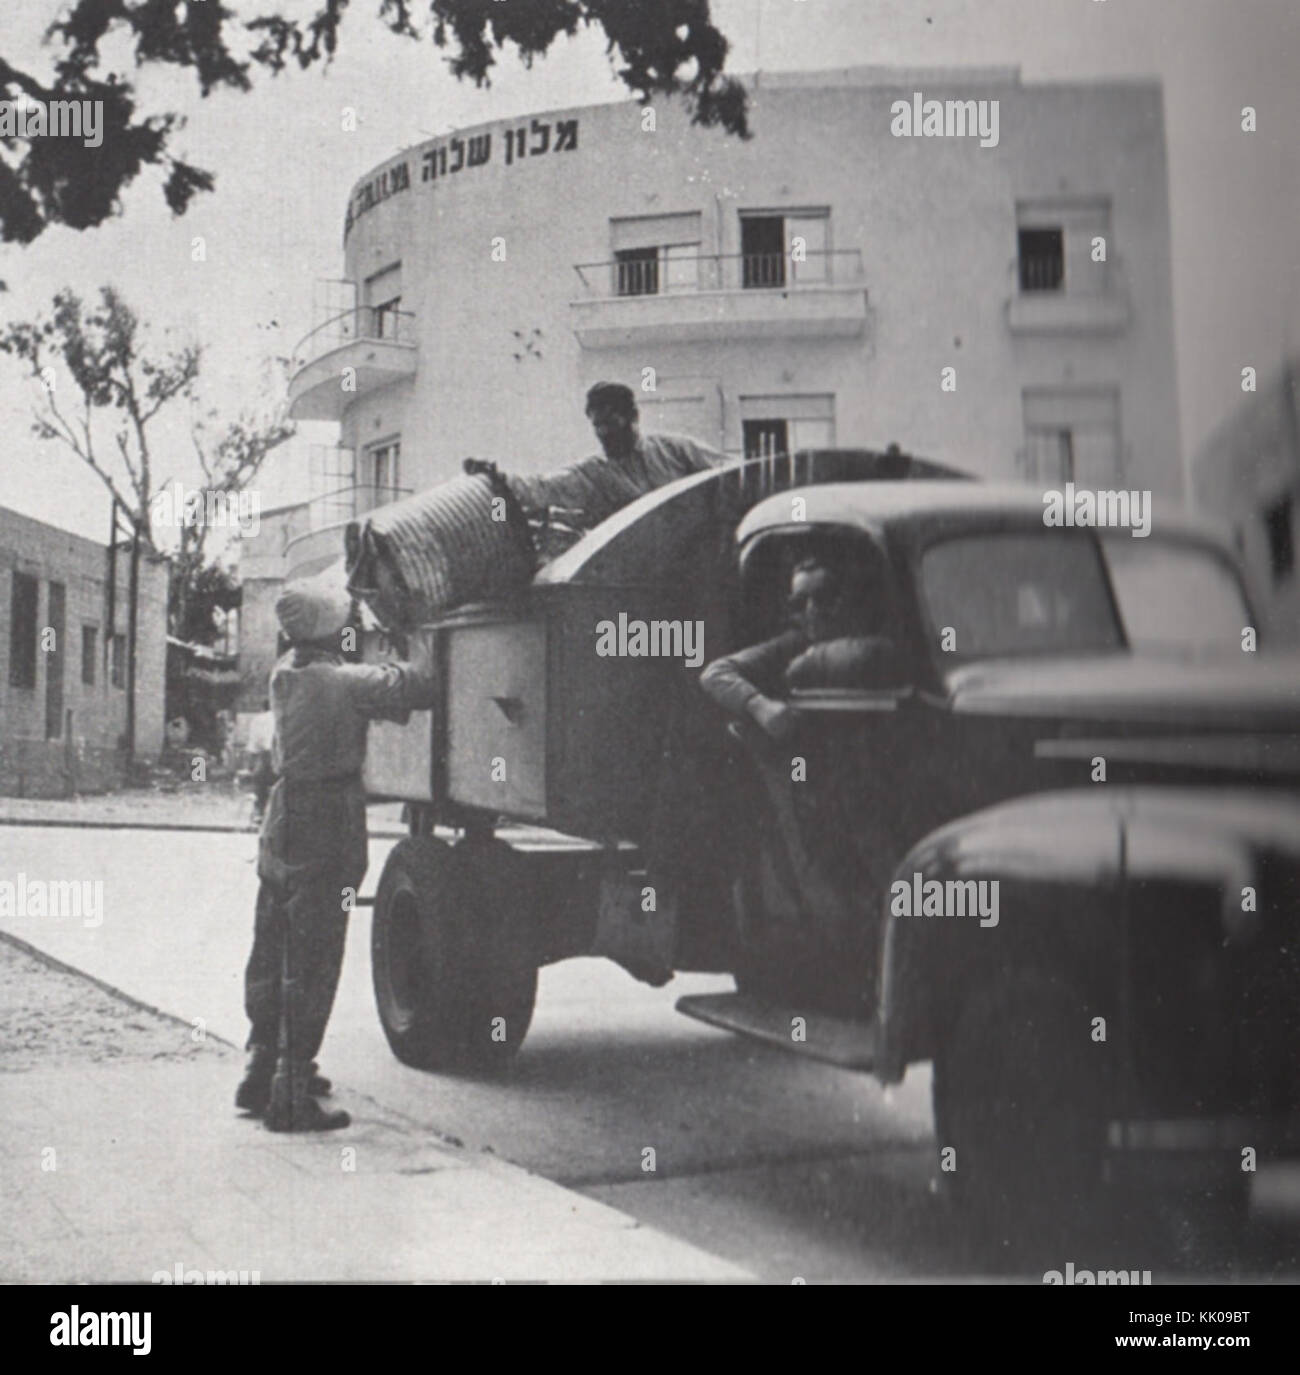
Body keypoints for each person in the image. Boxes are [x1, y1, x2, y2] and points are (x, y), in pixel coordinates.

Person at [236, 572, 435, 1132]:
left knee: (271, 943)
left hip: (284, 813)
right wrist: (407, 631)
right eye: (345, 619)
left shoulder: (286, 674)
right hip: (328, 816)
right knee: (314, 954)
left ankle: (261, 1065)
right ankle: (291, 1092)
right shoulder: (346, 682)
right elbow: (418, 685)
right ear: (331, 629)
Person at [474, 381, 729, 553]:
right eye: (598, 426)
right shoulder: (591, 474)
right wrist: (497, 477)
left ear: (634, 417)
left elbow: (731, 474)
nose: (604, 433)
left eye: (611, 423)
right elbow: (540, 488)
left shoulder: (675, 449)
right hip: (645, 580)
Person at [699, 556, 897, 735]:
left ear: (844, 599)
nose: (811, 611)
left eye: (823, 598)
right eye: (800, 602)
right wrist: (759, 705)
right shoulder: (794, 643)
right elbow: (716, 673)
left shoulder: (877, 642)